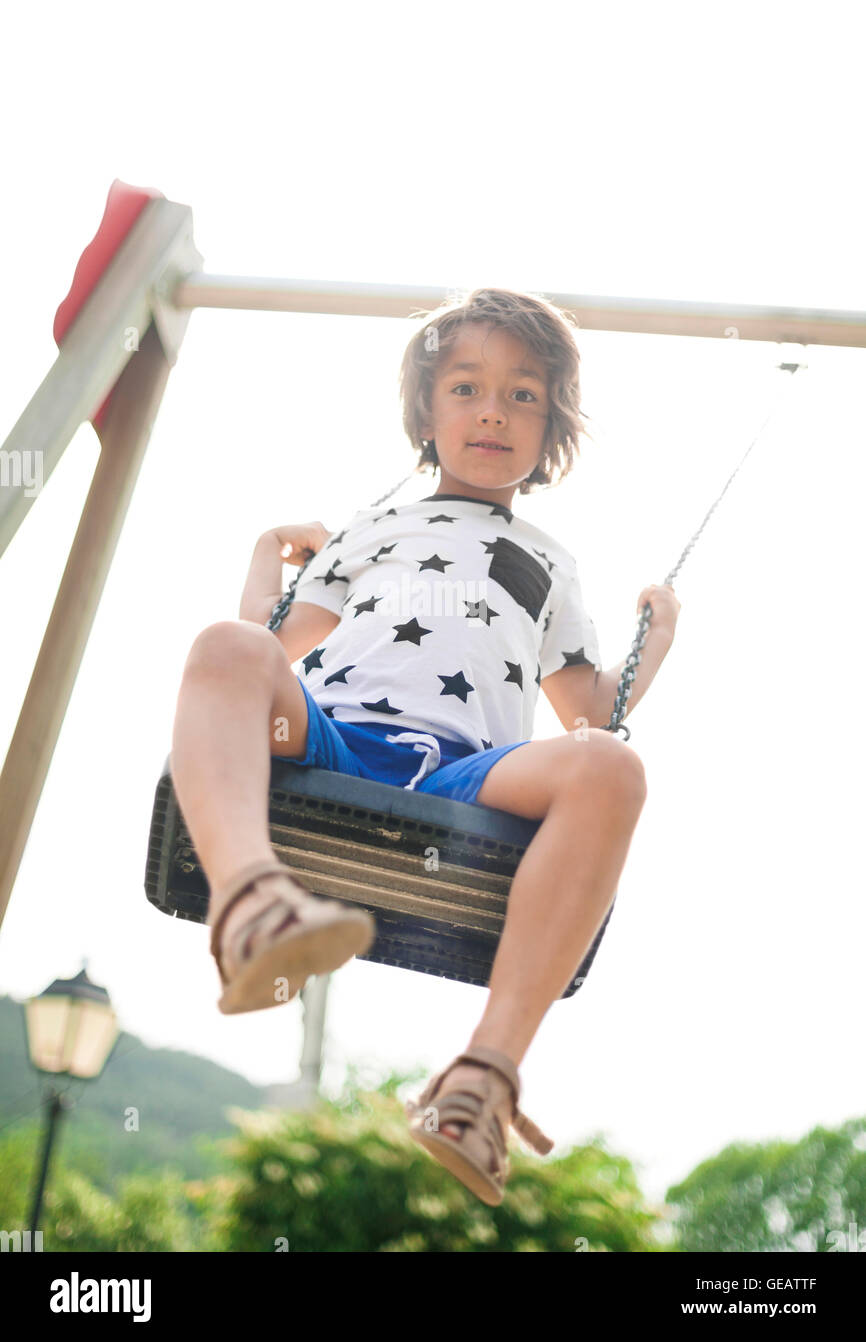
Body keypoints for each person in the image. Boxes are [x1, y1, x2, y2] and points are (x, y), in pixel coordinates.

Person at [170, 286, 681, 1205]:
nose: (493, 409)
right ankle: (252, 906)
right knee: (222, 646)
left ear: (551, 425)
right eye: (467, 387)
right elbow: (262, 651)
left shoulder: (552, 562)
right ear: (427, 410)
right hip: (331, 738)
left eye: (524, 395)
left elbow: (589, 716)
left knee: (614, 768)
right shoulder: (370, 529)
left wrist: (659, 641)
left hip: (465, 775)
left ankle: (482, 1079)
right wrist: (263, 554)